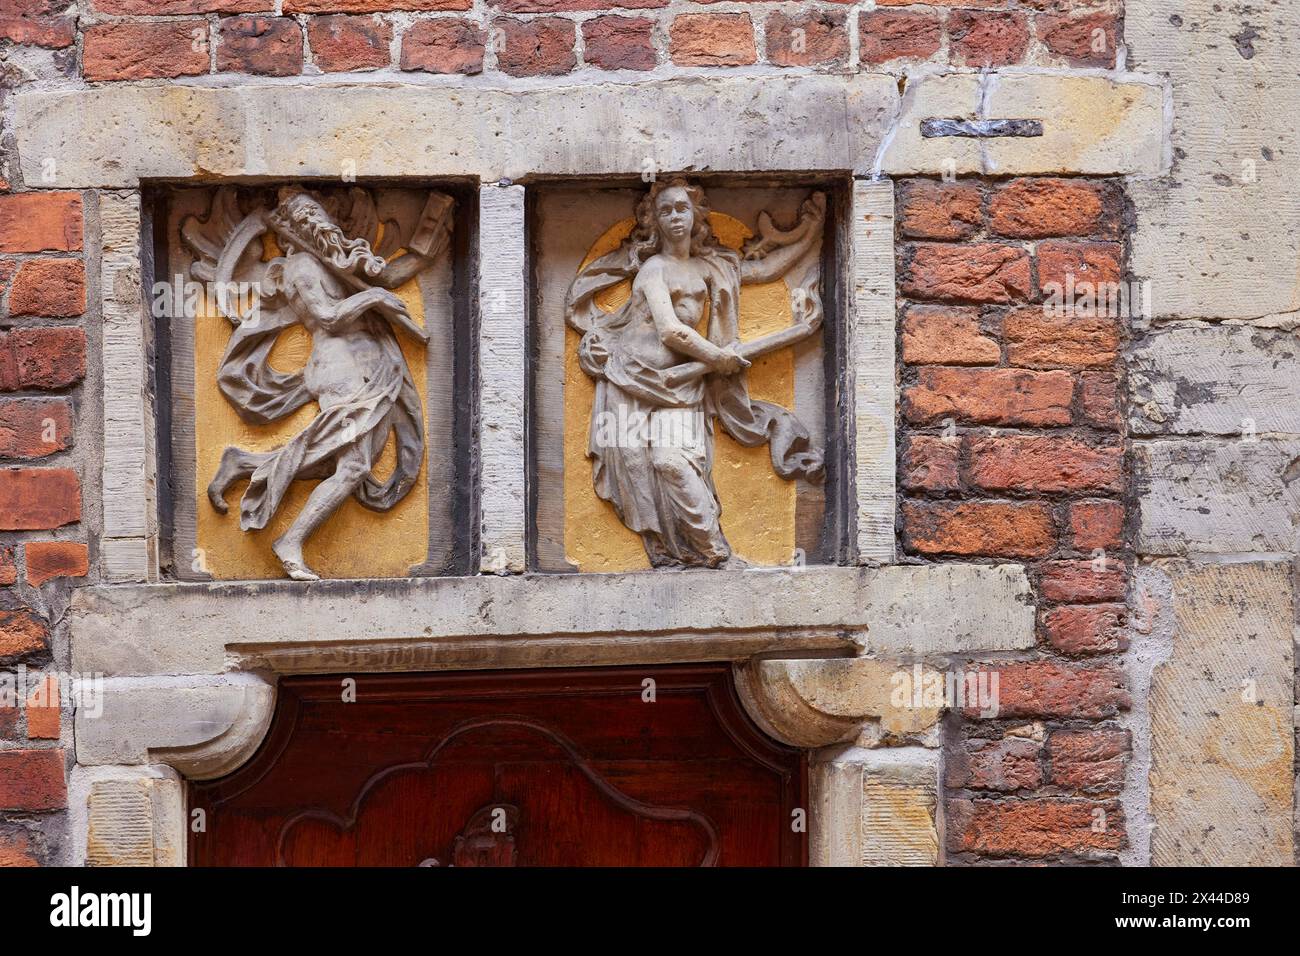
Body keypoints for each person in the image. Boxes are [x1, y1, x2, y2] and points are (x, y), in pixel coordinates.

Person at [565, 179, 825, 568]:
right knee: (638, 477)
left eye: (681, 209)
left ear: (695, 217)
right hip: (631, 379)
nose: (674, 217)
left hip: (682, 386)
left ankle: (715, 553)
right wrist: (718, 357)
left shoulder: (711, 267)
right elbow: (670, 330)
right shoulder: (653, 268)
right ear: (654, 220)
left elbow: (763, 269)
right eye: (665, 210)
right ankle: (669, 554)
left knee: (672, 462)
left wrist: (809, 237)